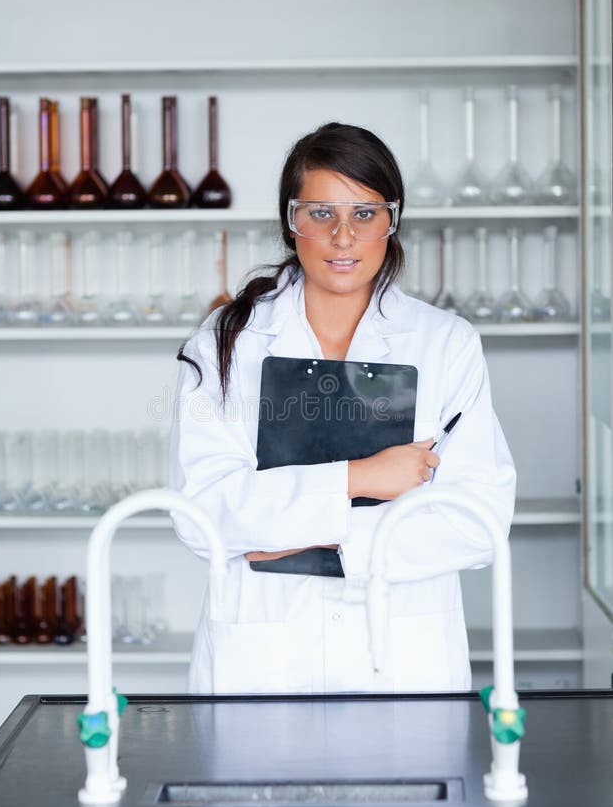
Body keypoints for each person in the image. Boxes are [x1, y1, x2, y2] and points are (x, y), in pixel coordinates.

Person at [169, 122, 515, 694]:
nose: (343, 237)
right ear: (290, 220)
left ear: (392, 221)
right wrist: (365, 479)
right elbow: (202, 514)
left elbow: (478, 523)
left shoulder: (445, 344)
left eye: (365, 213)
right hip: (261, 661)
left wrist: (308, 538)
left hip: (402, 659)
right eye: (320, 213)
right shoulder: (226, 342)